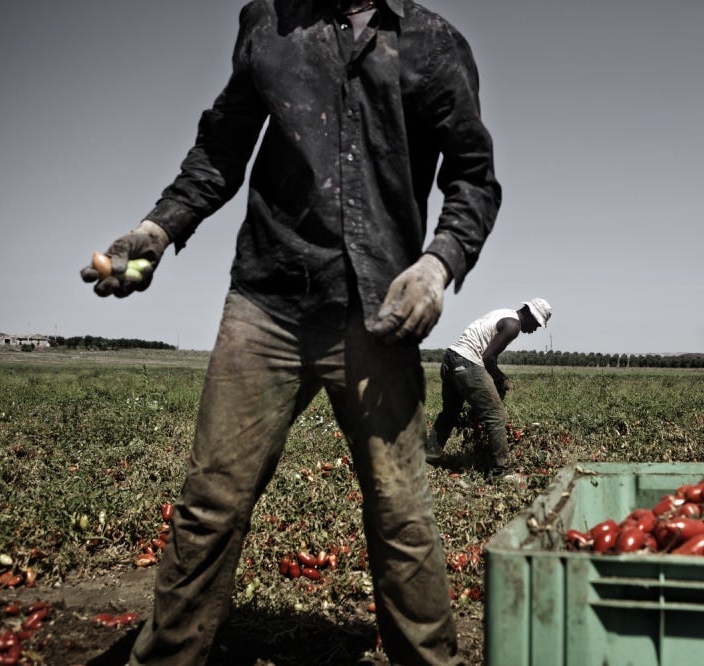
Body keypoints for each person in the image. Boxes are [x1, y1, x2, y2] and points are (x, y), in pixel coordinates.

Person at [80, 1, 501, 664]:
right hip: (267, 302)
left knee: (402, 514)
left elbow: (473, 177)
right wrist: (157, 231)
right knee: (210, 504)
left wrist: (438, 261)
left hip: (377, 311)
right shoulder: (268, 24)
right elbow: (221, 149)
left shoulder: (432, 43)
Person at [426, 298, 551, 478]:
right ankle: (502, 471)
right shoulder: (513, 326)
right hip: (467, 362)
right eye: (537, 324)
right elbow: (487, 358)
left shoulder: (504, 313)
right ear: (530, 314)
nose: (535, 329)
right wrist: (501, 379)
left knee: (449, 414)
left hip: (450, 358)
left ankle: (431, 457)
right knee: (495, 414)